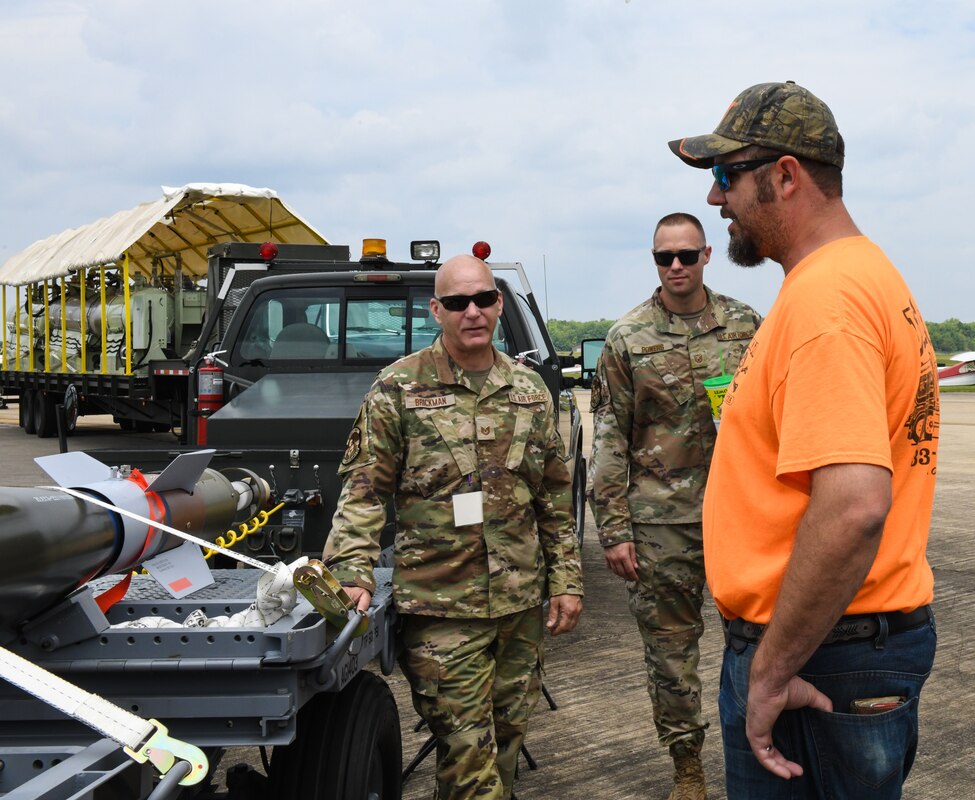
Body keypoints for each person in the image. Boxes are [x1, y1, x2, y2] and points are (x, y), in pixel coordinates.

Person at [668, 81, 940, 798]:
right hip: (845, 643)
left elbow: (854, 506)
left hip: (822, 657)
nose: (715, 199)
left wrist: (771, 674)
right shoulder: (860, 277)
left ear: (785, 176)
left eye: (726, 176)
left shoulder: (828, 300)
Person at [322, 255, 583, 800]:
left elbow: (555, 497)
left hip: (518, 606)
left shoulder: (531, 391)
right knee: (469, 761)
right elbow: (365, 491)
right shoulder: (397, 389)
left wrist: (566, 581)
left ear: (498, 304)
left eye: (483, 299)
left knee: (504, 748)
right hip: (441, 609)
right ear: (436, 310)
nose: (473, 312)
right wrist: (353, 572)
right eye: (459, 302)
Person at [590, 212, 761, 799]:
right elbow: (610, 436)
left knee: (761, 638)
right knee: (670, 652)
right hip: (660, 522)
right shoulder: (628, 337)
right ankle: (687, 766)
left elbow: (773, 421)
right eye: (665, 258)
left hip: (741, 516)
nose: (677, 267)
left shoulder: (745, 326)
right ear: (654, 261)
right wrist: (613, 528)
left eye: (687, 255)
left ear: (708, 254)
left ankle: (759, 746)